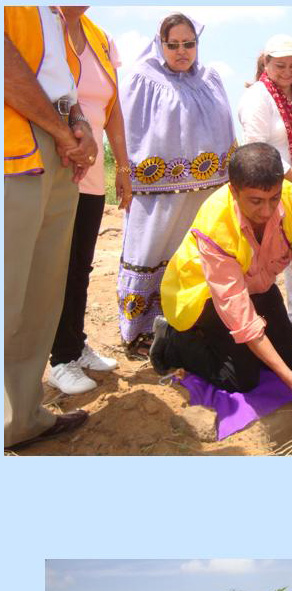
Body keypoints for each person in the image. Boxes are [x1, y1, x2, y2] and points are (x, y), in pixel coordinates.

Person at [151, 142, 292, 416]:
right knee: (241, 379)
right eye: (256, 201)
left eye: (274, 198)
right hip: (203, 293)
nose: (268, 211)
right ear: (233, 190)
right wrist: (287, 379)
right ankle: (173, 341)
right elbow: (237, 311)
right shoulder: (215, 223)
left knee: (290, 358)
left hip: (257, 284)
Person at [116, 13, 236, 360]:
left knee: (196, 257)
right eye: (173, 45)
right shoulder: (143, 79)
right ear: (160, 44)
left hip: (206, 194)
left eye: (189, 44)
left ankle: (191, 324)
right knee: (152, 252)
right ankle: (139, 331)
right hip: (157, 197)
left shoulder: (210, 79)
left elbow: (227, 130)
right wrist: (125, 173)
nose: (182, 52)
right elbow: (126, 132)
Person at [5, 5, 97, 449]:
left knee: (40, 296)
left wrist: (77, 123)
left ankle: (20, 417)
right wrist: (62, 132)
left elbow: (58, 78)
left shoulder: (53, 13)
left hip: (52, 136)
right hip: (16, 140)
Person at [46, 7, 128, 395]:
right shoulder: (44, 26)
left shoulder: (100, 38)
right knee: (51, 268)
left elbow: (112, 111)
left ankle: (74, 345)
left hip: (92, 171)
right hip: (55, 162)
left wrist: (123, 167)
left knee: (80, 264)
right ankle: (57, 359)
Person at [238, 34, 292, 337]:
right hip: (271, 186)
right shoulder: (258, 97)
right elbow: (257, 147)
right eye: (281, 66)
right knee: (274, 248)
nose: (288, 72)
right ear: (266, 63)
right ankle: (278, 313)